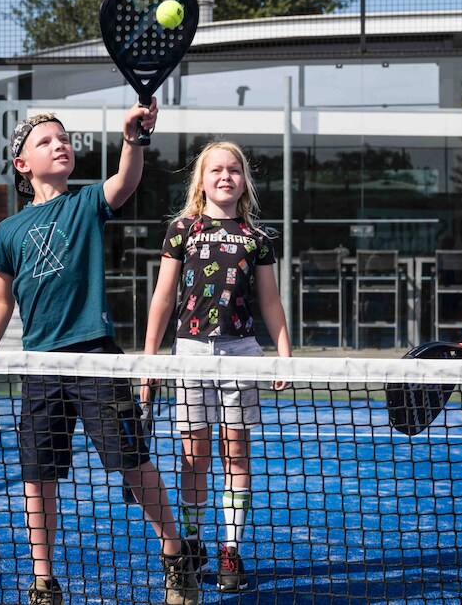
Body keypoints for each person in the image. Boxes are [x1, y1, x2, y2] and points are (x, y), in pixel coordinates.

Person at [0, 102, 200, 605]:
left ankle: (175, 553)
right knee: (37, 476)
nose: (59, 144)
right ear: (23, 164)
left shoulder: (87, 202)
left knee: (132, 461)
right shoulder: (9, 232)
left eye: (63, 138)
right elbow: (1, 301)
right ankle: (44, 581)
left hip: (96, 358)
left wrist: (133, 138)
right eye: (45, 141)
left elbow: (125, 181)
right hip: (40, 366)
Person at [142, 141, 292, 593]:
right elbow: (164, 297)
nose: (225, 176)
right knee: (194, 457)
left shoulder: (258, 239)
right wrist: (149, 360)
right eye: (216, 170)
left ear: (244, 180)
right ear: (201, 180)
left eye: (234, 170)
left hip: (242, 353)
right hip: (188, 352)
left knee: (236, 454)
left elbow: (270, 301)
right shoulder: (181, 230)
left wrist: (284, 353)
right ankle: (191, 542)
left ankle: (230, 549)